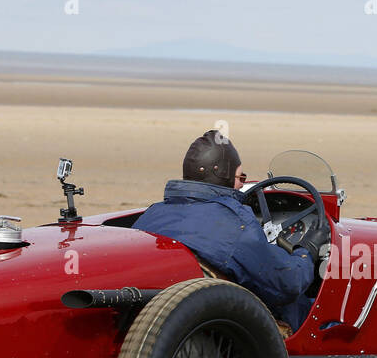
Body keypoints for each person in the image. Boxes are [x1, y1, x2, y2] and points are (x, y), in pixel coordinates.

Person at [132, 130, 322, 331]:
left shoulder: (151, 215)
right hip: (217, 328)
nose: (242, 185)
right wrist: (307, 251)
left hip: (160, 320)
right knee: (300, 304)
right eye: (241, 177)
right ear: (221, 174)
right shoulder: (234, 222)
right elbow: (286, 282)